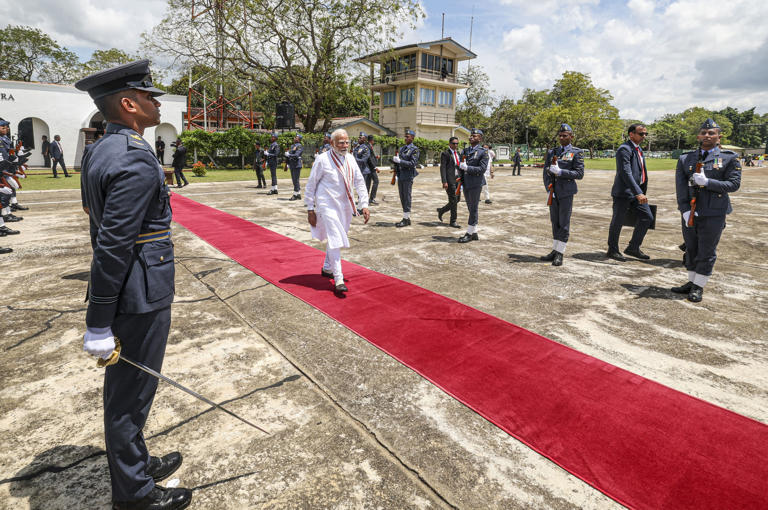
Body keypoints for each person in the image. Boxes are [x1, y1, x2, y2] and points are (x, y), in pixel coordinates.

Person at [74, 59, 192, 510]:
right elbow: (112, 246)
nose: (156, 101)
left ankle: (137, 464)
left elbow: (94, 220)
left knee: (129, 392)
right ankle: (136, 495)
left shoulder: (103, 149)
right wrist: (98, 322)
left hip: (131, 287)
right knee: (129, 399)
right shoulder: (135, 160)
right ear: (128, 104)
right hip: (139, 293)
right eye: (148, 95)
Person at [671, 118, 741, 303]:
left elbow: (734, 184)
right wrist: (684, 209)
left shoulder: (728, 158)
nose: (707, 135)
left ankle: (699, 286)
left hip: (714, 212)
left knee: (707, 251)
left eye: (711, 133)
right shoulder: (686, 158)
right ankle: (691, 281)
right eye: (704, 132)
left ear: (719, 137)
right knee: (691, 249)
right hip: (691, 212)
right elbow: (680, 187)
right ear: (698, 136)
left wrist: (708, 182)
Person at [305, 128, 369, 293]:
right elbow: (311, 184)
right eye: (341, 142)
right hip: (327, 204)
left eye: (347, 142)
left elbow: (360, 182)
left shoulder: (350, 159)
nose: (345, 145)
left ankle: (327, 267)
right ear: (332, 143)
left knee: (339, 236)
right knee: (334, 237)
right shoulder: (322, 159)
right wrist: (310, 209)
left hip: (345, 205)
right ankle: (338, 278)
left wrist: (365, 204)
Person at [607, 123, 654, 261]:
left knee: (647, 217)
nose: (644, 136)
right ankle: (612, 250)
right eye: (641, 134)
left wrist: (641, 191)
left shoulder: (638, 149)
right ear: (631, 134)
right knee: (618, 221)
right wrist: (638, 192)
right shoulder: (624, 149)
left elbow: (640, 172)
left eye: (645, 134)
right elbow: (625, 172)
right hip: (624, 192)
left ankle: (633, 247)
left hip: (636, 192)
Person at [540, 123, 584, 266]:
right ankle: (554, 249)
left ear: (571, 136)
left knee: (564, 223)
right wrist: (548, 188)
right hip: (553, 192)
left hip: (566, 192)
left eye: (565, 135)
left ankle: (560, 252)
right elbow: (545, 172)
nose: (562, 137)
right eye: (560, 135)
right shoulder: (553, 151)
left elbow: (579, 173)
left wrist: (561, 172)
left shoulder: (576, 152)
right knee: (555, 222)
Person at [457, 129, 489, 243]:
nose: (471, 137)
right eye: (471, 136)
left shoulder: (483, 152)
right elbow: (460, 165)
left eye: (474, 136)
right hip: (466, 182)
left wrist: (468, 168)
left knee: (473, 208)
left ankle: (469, 233)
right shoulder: (465, 150)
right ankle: (474, 232)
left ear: (480, 138)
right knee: (470, 207)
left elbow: (482, 169)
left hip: (475, 183)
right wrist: (460, 176)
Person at [392, 129, 420, 227]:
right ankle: (406, 217)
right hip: (401, 175)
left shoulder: (414, 149)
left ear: (412, 138)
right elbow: (399, 161)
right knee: (402, 197)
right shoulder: (403, 148)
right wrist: (395, 162)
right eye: (405, 136)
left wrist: (400, 161)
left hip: (408, 176)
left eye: (408, 137)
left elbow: (412, 163)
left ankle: (406, 218)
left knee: (407, 197)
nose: (406, 138)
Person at [437, 136, 461, 228]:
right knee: (454, 200)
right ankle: (453, 221)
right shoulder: (445, 154)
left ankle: (442, 210)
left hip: (458, 179)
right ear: (450, 144)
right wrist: (444, 181)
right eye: (454, 143)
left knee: (457, 200)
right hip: (450, 180)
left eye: (457, 143)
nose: (456, 145)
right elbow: (442, 168)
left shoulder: (458, 153)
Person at [285, 134, 304, 200]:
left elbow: (296, 155)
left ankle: (295, 195)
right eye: (295, 137)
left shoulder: (299, 146)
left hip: (296, 164)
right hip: (292, 164)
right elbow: (290, 155)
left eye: (296, 137)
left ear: (299, 139)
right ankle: (298, 194)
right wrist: (287, 163)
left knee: (296, 180)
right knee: (294, 180)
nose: (295, 138)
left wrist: (289, 154)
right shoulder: (292, 146)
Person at [365, 134, 379, 205]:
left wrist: (375, 157)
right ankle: (371, 198)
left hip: (369, 168)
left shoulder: (369, 146)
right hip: (371, 168)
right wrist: (374, 167)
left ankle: (366, 199)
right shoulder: (368, 147)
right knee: (376, 181)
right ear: (372, 140)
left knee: (368, 183)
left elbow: (371, 157)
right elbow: (369, 158)